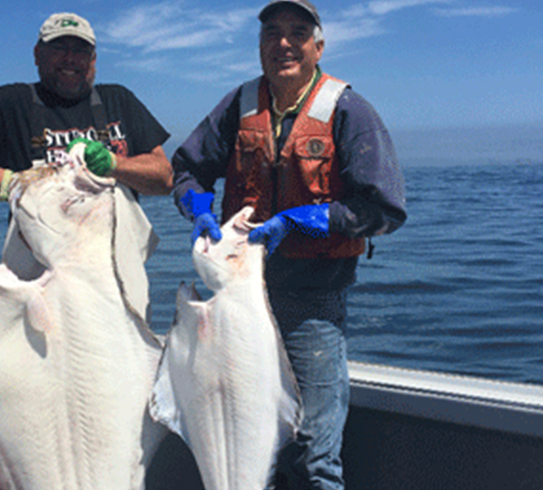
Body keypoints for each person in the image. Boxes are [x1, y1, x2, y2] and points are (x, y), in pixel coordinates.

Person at [171, 1, 407, 488]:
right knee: (241, 443)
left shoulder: (348, 110)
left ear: (318, 47)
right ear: (259, 47)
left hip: (313, 302)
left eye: (297, 33)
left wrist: (308, 220)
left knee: (315, 455)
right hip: (236, 299)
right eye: (272, 33)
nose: (283, 43)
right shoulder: (239, 105)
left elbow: (384, 209)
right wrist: (196, 206)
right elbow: (188, 167)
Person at [0, 12, 173, 200]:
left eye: (81, 50)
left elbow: (164, 178)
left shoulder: (119, 99)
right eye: (59, 47)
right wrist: (9, 182)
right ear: (37, 54)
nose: (70, 58)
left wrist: (115, 164)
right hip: (40, 264)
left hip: (112, 264)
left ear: (94, 59)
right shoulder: (11, 102)